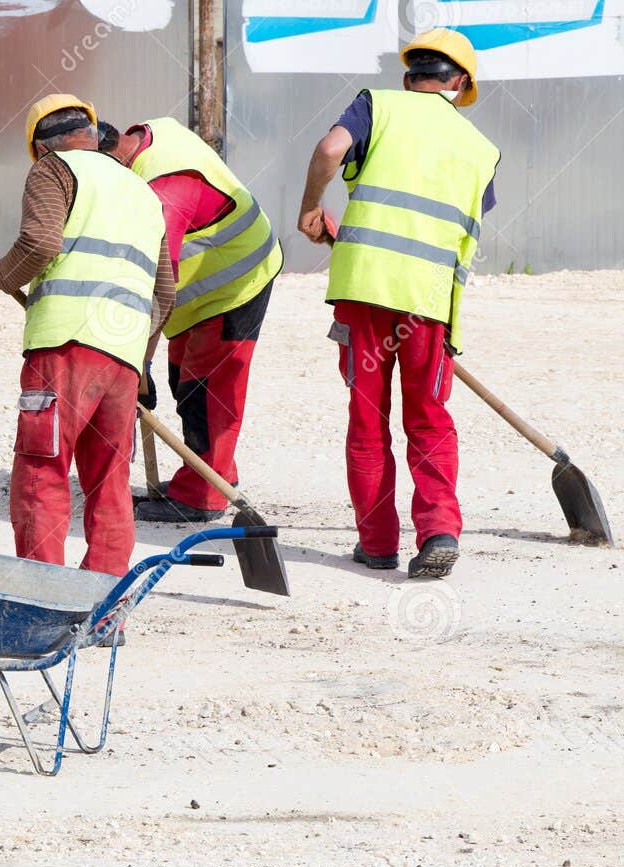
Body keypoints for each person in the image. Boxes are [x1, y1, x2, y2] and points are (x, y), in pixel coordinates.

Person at [297, 29, 500, 578]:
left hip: (365, 291)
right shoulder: (482, 151)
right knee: (429, 419)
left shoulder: (377, 106)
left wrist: (311, 207)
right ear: (461, 83)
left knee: (368, 419)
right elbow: (433, 225)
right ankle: (439, 531)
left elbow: (330, 150)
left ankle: (378, 543)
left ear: (409, 77)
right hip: (429, 303)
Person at [0, 95, 175, 576]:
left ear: (41, 147)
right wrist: (139, 357)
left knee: (42, 469)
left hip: (65, 346)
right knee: (110, 480)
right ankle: (103, 599)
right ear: (90, 133)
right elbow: (165, 292)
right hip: (123, 358)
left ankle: (43, 596)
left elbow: (40, 242)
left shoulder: (54, 169)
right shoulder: (144, 193)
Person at [100, 117, 282, 523]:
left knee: (208, 391)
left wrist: (138, 363)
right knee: (183, 379)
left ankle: (202, 496)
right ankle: (213, 473)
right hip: (202, 290)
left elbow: (156, 285)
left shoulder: (165, 193)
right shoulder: (148, 137)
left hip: (235, 283)